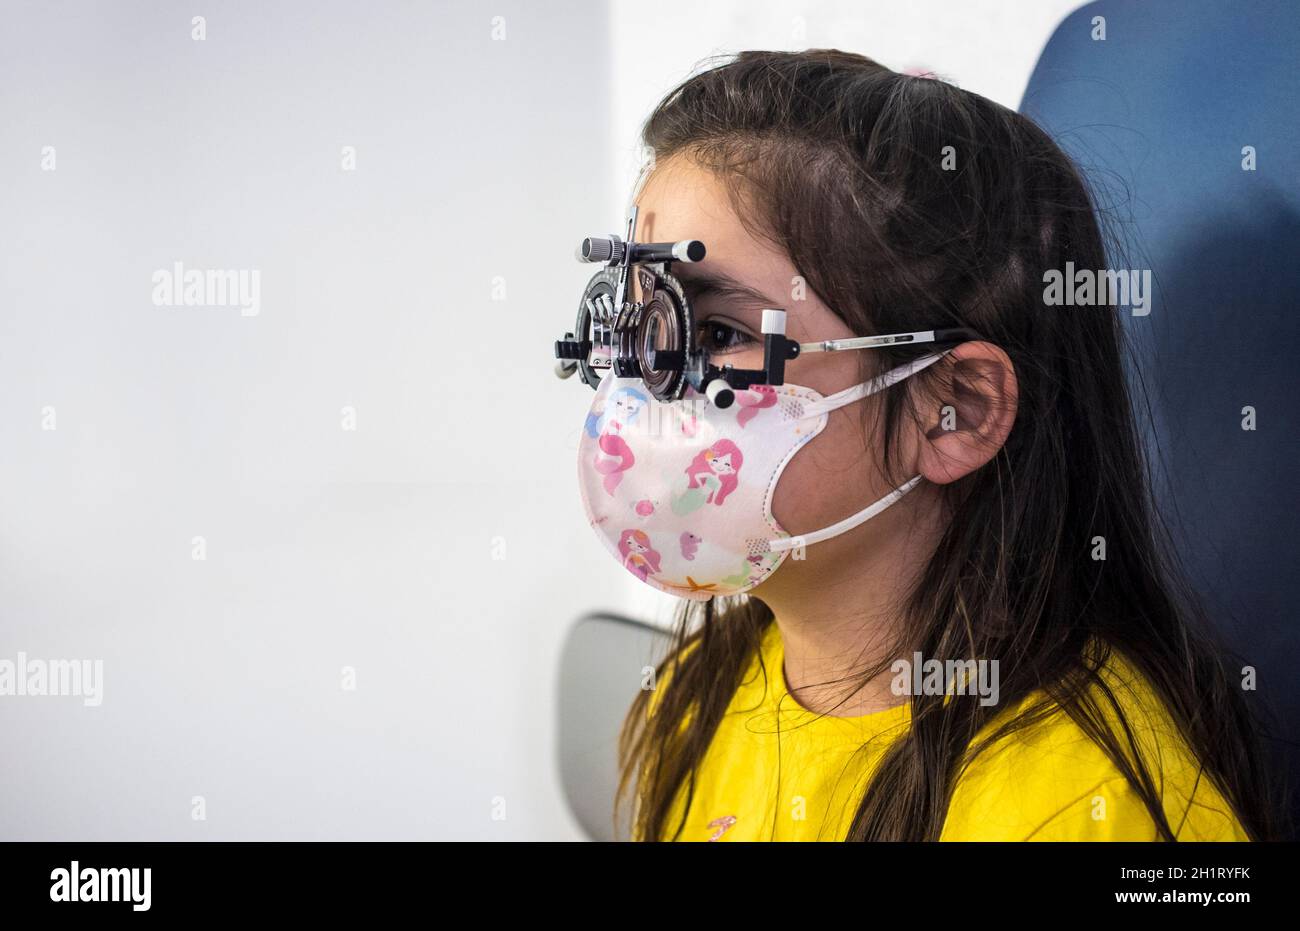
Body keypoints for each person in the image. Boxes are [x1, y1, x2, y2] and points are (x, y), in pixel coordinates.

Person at [598, 49, 1284, 841]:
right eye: (642, 324)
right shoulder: (695, 695)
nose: (642, 380)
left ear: (952, 408)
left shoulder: (1079, 808)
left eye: (715, 332)